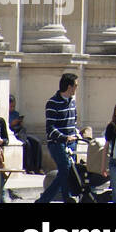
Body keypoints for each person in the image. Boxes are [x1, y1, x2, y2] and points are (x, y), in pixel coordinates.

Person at [38, 72, 80, 204]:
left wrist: (76, 133)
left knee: (67, 172)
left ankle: (46, 200)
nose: (76, 88)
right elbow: (50, 128)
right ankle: (66, 198)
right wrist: (64, 137)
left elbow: (74, 122)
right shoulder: (52, 102)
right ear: (69, 87)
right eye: (75, 86)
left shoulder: (72, 102)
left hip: (71, 143)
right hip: (57, 143)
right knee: (65, 169)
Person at [8, 96, 42, 174]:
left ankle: (38, 167)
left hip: (21, 132)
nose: (12, 108)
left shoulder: (16, 113)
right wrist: (12, 124)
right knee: (27, 144)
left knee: (37, 142)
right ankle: (28, 167)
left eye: (14, 106)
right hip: (14, 134)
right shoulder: (5, 114)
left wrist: (20, 122)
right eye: (11, 106)